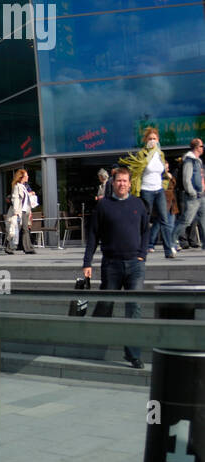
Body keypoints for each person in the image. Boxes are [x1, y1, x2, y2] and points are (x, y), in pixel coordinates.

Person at [83, 166, 150, 368]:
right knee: (107, 303)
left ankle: (133, 354)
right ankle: (94, 333)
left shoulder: (138, 204)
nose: (121, 184)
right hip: (111, 264)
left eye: (125, 181)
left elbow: (146, 231)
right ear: (113, 183)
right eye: (118, 180)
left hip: (135, 265)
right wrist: (87, 262)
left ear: (130, 183)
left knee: (134, 308)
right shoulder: (103, 206)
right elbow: (93, 235)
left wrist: (142, 255)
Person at [121, 127, 174, 258]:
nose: (152, 141)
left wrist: (167, 176)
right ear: (146, 140)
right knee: (144, 220)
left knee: (165, 219)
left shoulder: (160, 154)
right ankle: (140, 249)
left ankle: (169, 249)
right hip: (146, 190)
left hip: (159, 189)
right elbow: (135, 172)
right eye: (150, 139)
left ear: (158, 140)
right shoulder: (142, 154)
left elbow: (161, 171)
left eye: (154, 139)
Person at [174, 139, 204, 250]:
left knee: (200, 219)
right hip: (190, 194)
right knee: (186, 219)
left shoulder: (198, 161)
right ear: (196, 147)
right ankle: (176, 239)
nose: (202, 148)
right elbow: (187, 179)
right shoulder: (189, 160)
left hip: (200, 195)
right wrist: (192, 192)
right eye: (201, 146)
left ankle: (198, 242)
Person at [5, 168, 36, 254]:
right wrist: (15, 212)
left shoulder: (24, 186)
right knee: (15, 229)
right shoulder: (17, 186)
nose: (28, 177)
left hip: (25, 211)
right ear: (21, 177)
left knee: (25, 229)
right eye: (26, 175)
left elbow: (25, 197)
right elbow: (15, 199)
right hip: (19, 211)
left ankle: (28, 248)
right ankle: (9, 247)